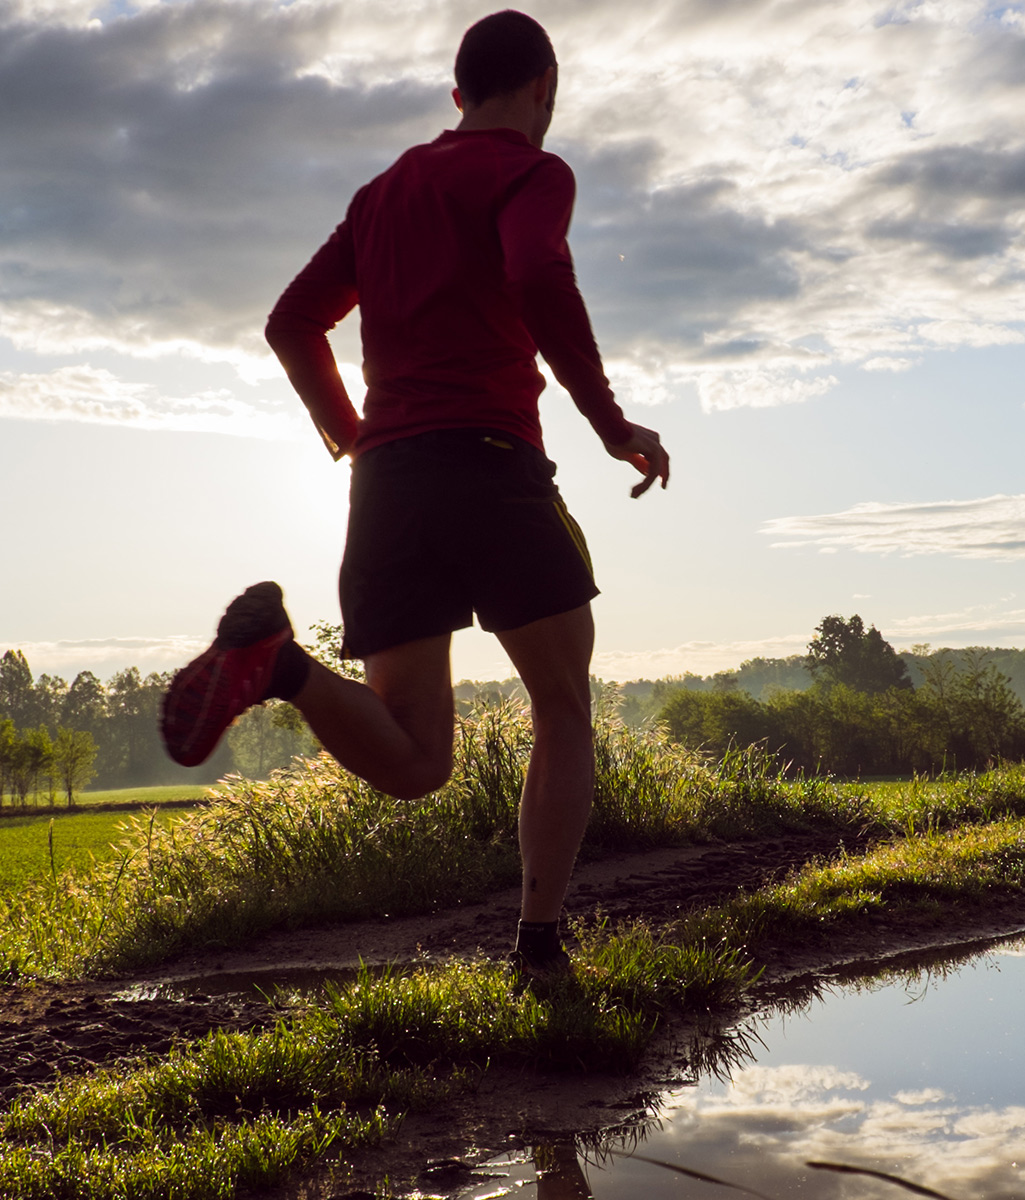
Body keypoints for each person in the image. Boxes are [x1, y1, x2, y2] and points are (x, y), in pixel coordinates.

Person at [158, 10, 666, 982]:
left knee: (417, 761)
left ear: (455, 95)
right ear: (544, 85)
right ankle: (540, 947)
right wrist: (610, 424)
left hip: (388, 486)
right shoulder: (530, 170)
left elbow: (292, 322)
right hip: (491, 464)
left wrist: (353, 438)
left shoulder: (384, 192)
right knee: (561, 707)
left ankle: (281, 668)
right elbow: (534, 268)